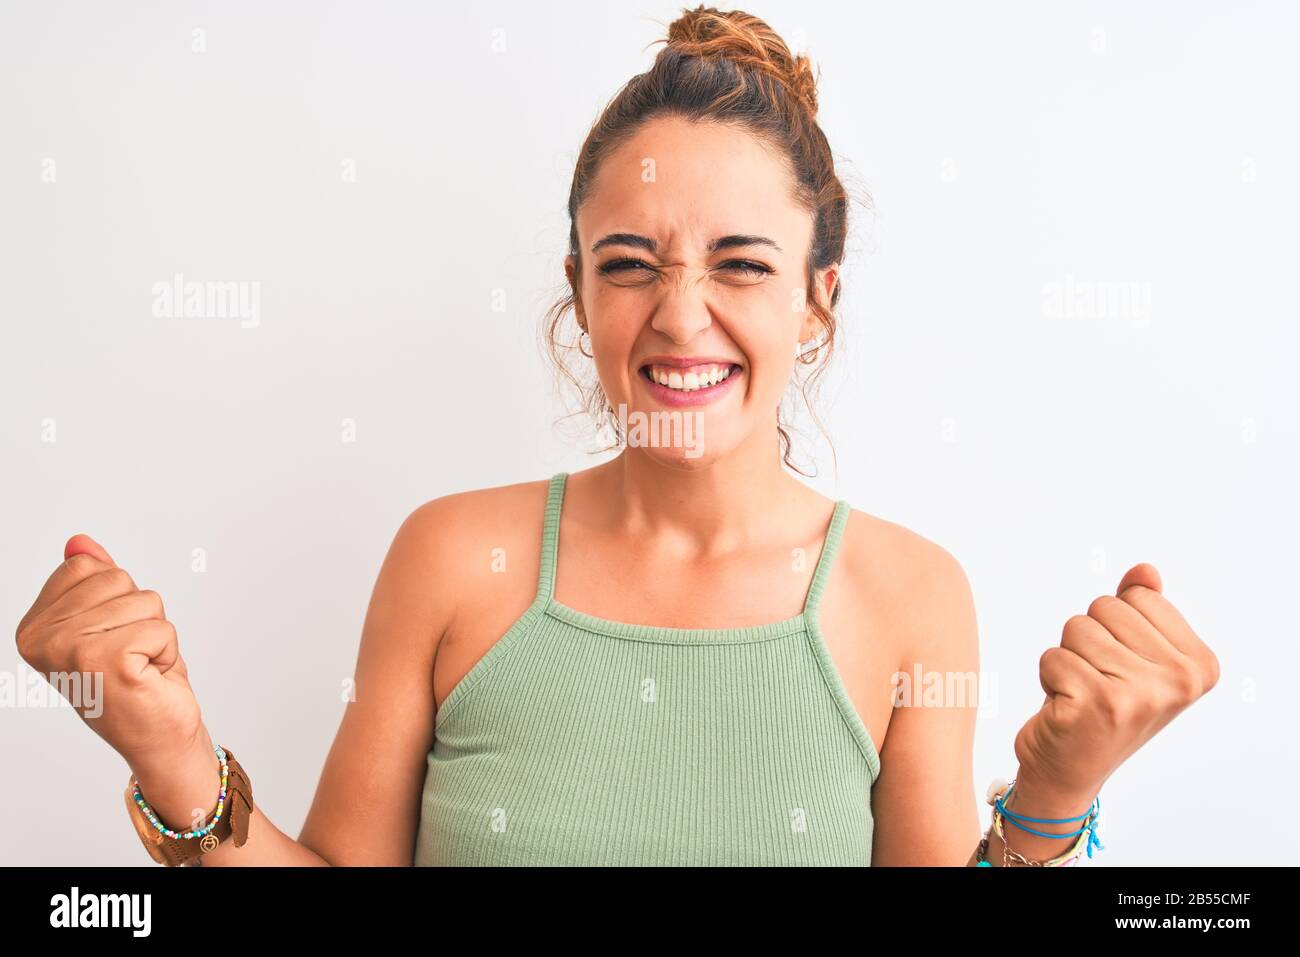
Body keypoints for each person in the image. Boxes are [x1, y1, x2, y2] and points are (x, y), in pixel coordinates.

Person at [15, 5, 1219, 867]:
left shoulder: (909, 596)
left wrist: (1058, 794)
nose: (679, 315)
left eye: (741, 264)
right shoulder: (449, 559)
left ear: (817, 300)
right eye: (629, 264)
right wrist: (171, 751)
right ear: (579, 292)